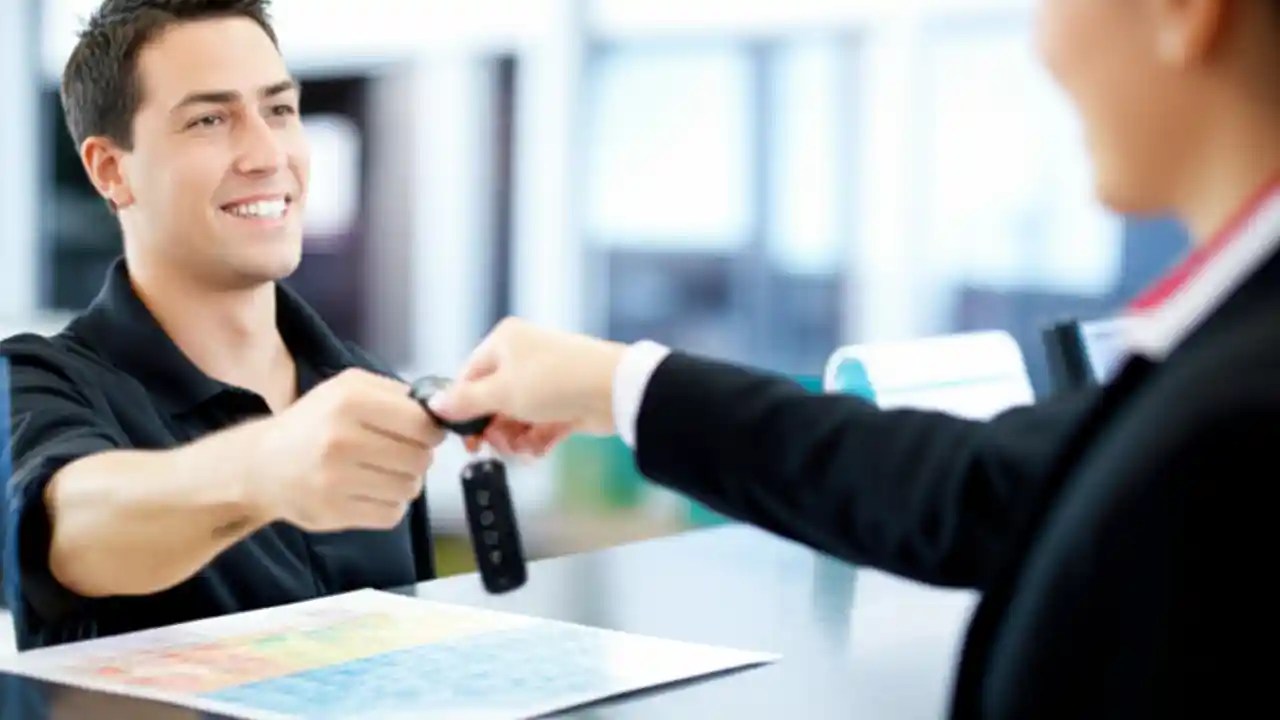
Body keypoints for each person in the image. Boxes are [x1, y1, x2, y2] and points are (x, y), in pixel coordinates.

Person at [430, 0, 1279, 717]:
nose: (1041, 42)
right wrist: (617, 387)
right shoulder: (1225, 361)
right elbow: (981, 484)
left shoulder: (1237, 410)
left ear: (1183, 11)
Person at [1, 0, 444, 651]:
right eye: (209, 120)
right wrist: (269, 465)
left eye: (279, 110)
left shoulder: (363, 386)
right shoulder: (32, 383)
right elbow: (69, 530)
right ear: (111, 170)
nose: (267, 154)